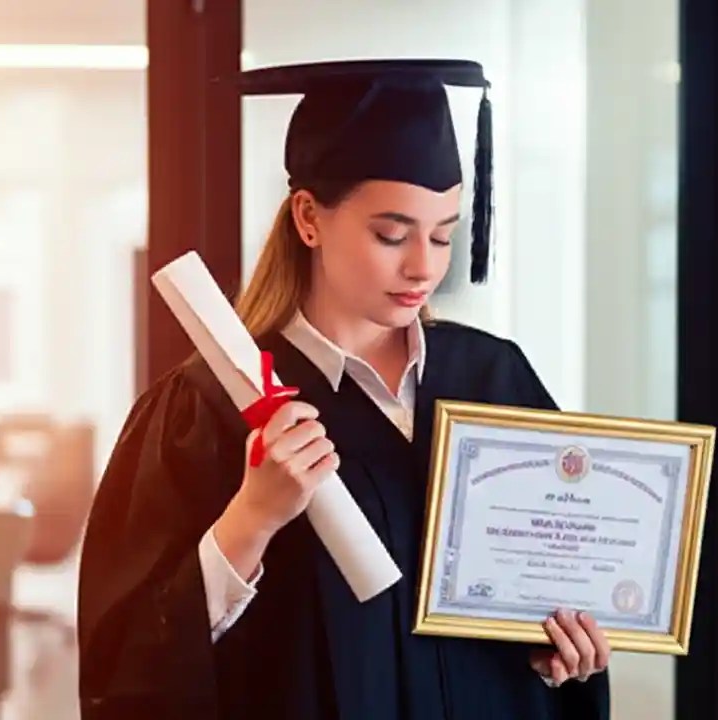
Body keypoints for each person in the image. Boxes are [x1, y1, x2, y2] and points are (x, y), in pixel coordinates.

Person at [76, 59, 611, 719]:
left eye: (443, 235)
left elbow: (546, 593)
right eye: (392, 234)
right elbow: (128, 664)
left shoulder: (495, 381)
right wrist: (253, 517)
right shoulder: (210, 406)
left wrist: (559, 656)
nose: (423, 266)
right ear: (309, 217)